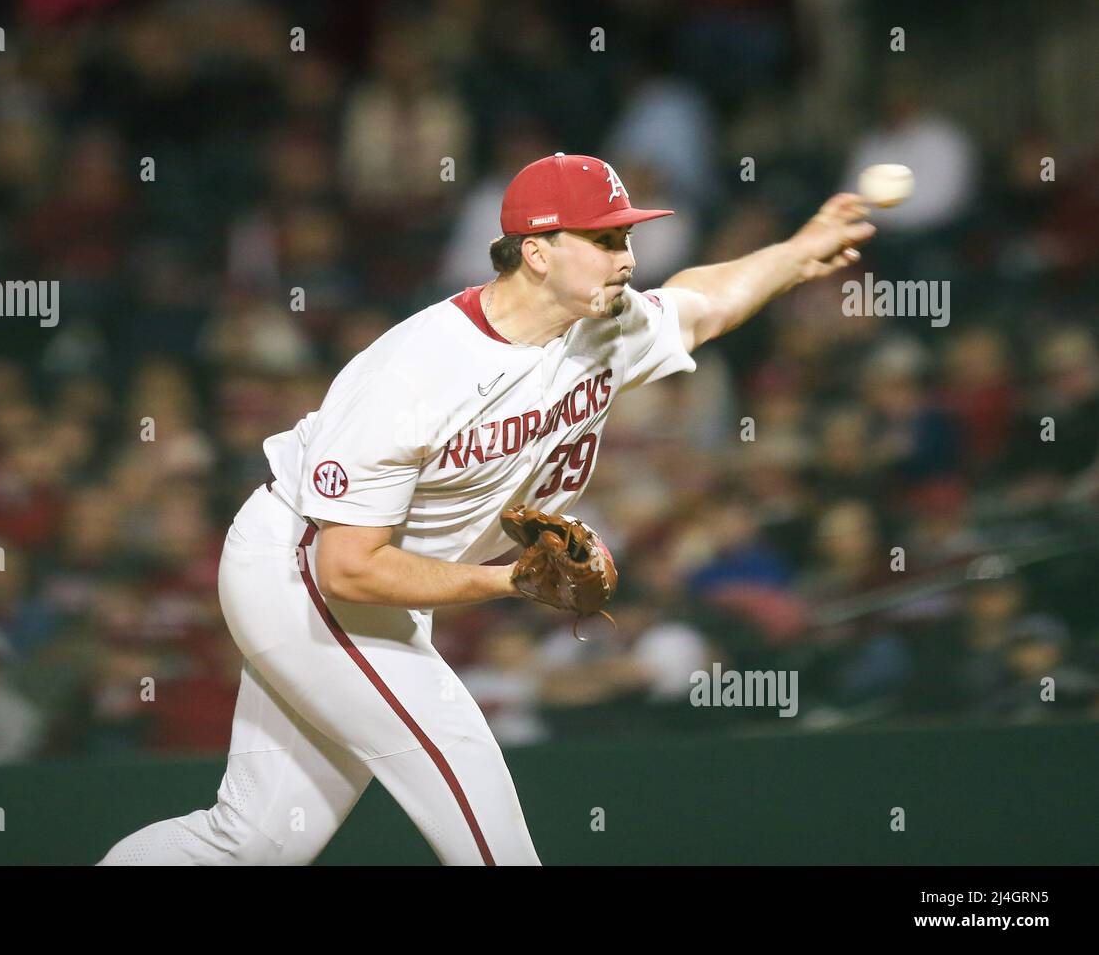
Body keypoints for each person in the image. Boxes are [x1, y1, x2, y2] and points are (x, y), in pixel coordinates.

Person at [100, 153, 874, 865]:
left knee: (253, 842)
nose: (628, 256)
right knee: (487, 824)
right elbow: (347, 568)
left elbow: (705, 302)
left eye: (626, 236)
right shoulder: (417, 372)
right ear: (537, 251)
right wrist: (510, 584)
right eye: (604, 239)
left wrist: (798, 253)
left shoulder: (601, 328)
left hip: (367, 590)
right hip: (302, 573)